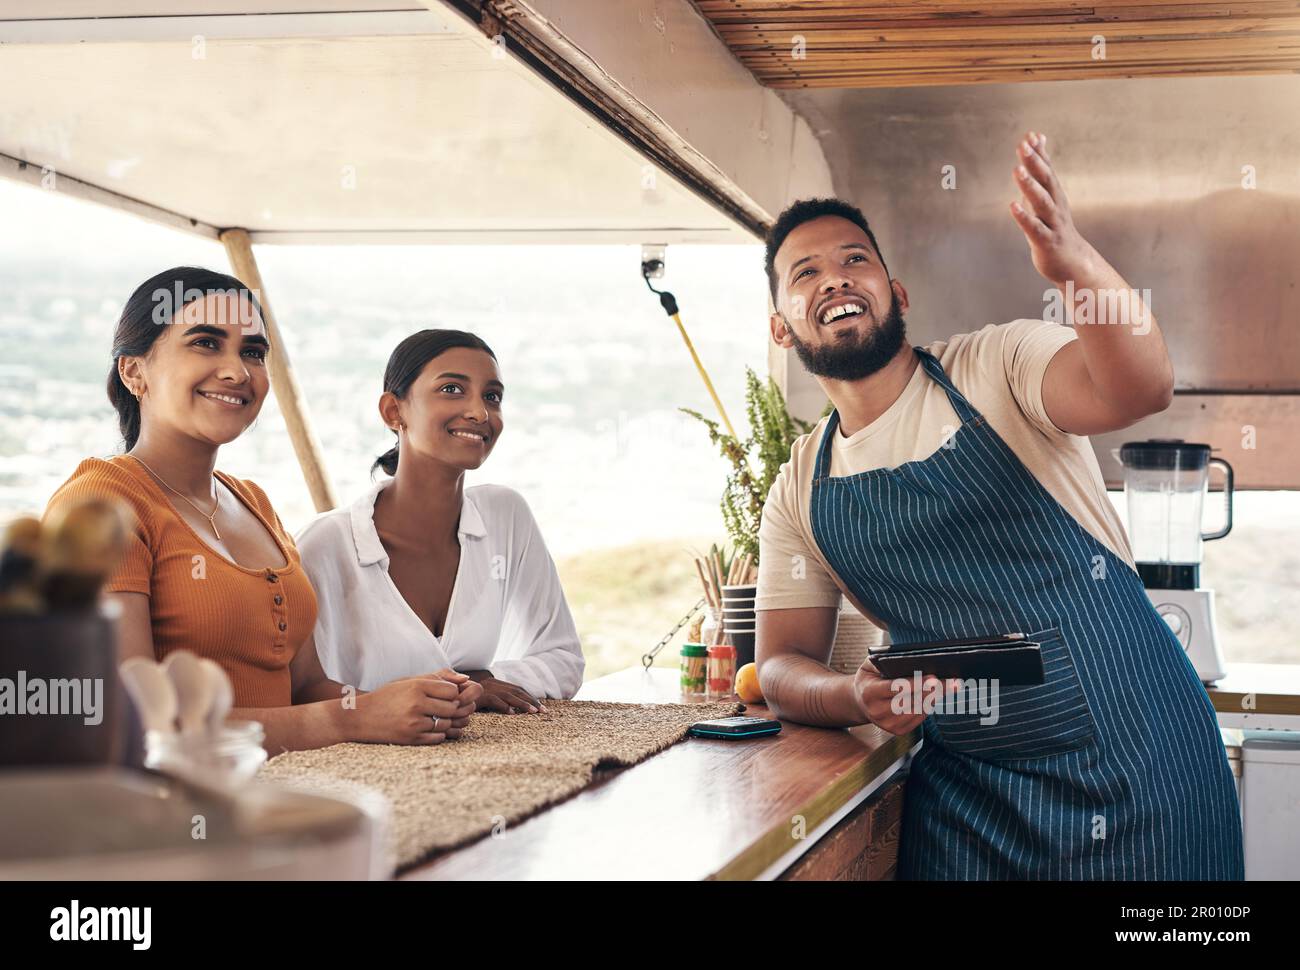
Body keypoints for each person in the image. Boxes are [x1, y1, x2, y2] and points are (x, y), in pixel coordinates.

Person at [754, 131, 1243, 879]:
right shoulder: (800, 487)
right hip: (968, 798)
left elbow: (1141, 388)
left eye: (856, 259)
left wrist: (1073, 265)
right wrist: (852, 693)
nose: (835, 278)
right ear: (781, 326)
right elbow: (781, 665)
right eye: (805, 272)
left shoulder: (997, 366)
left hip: (1138, 765)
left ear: (898, 293)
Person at [45, 267, 480, 752]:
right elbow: (133, 723)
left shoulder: (253, 504)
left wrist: (412, 702)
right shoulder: (101, 504)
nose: (236, 370)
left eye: (252, 352)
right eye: (205, 343)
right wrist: (347, 722)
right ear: (134, 371)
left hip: (284, 792)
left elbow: (306, 688)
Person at [297, 329, 584, 712]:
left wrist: (484, 683)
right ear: (393, 411)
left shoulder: (505, 516)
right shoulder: (326, 545)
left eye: (492, 396)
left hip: (483, 762)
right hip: (358, 764)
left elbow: (563, 658)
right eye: (452, 389)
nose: (480, 413)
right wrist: (426, 697)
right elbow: (298, 688)